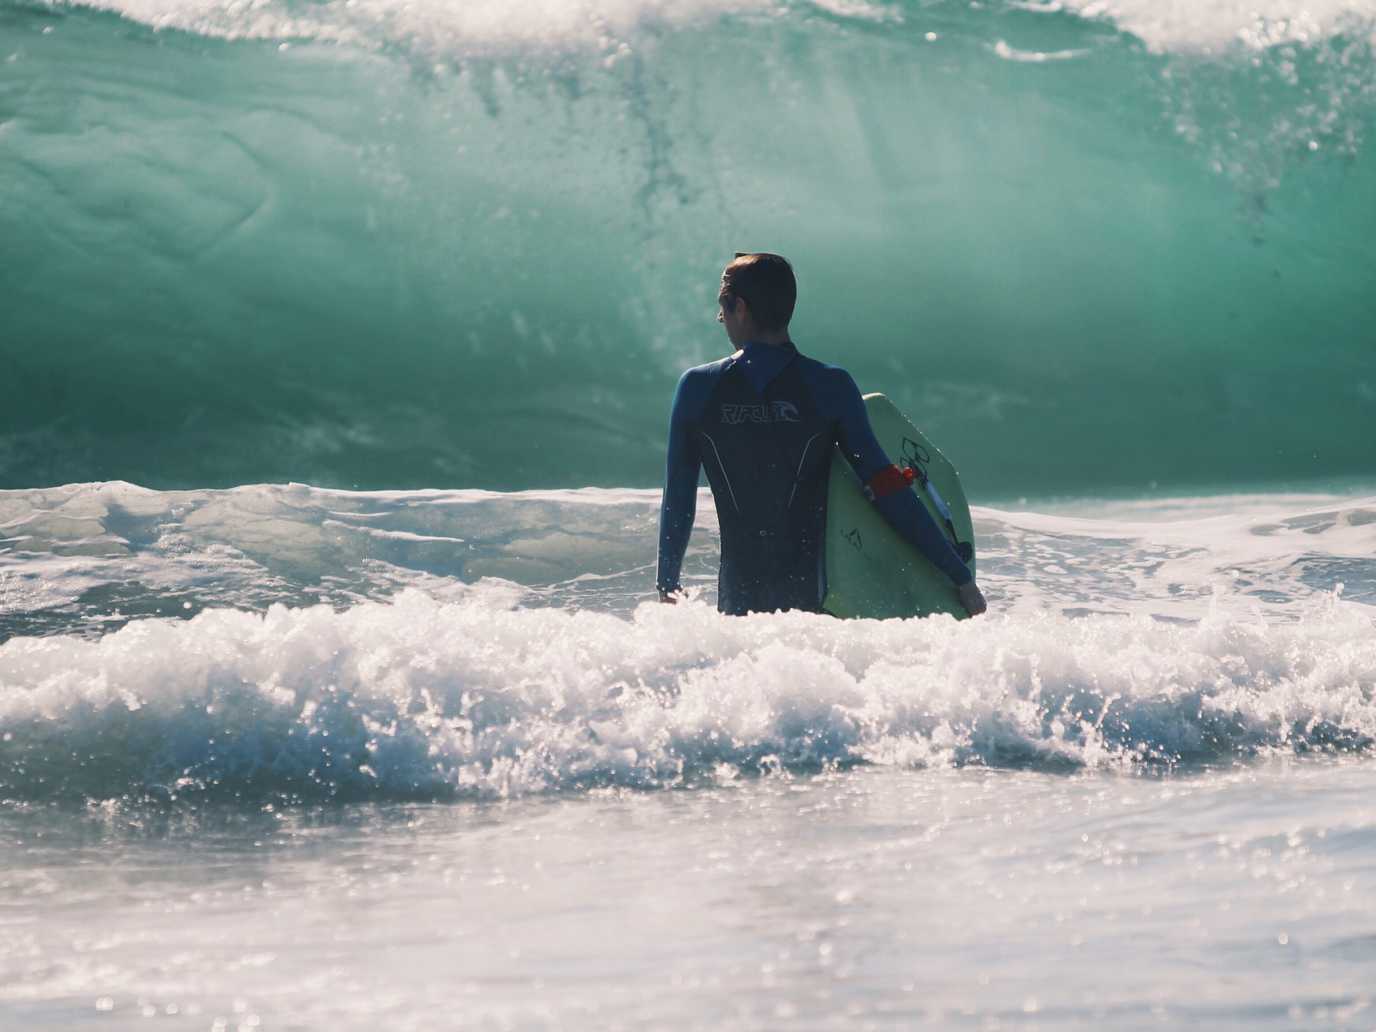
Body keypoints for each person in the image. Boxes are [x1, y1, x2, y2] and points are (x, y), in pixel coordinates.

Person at [655, 252, 988, 617]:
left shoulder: (698, 388)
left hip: (738, 612)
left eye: (723, 306)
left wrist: (667, 584)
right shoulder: (829, 386)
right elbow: (888, 488)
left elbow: (679, 496)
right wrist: (959, 576)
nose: (722, 319)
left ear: (741, 308)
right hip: (817, 611)